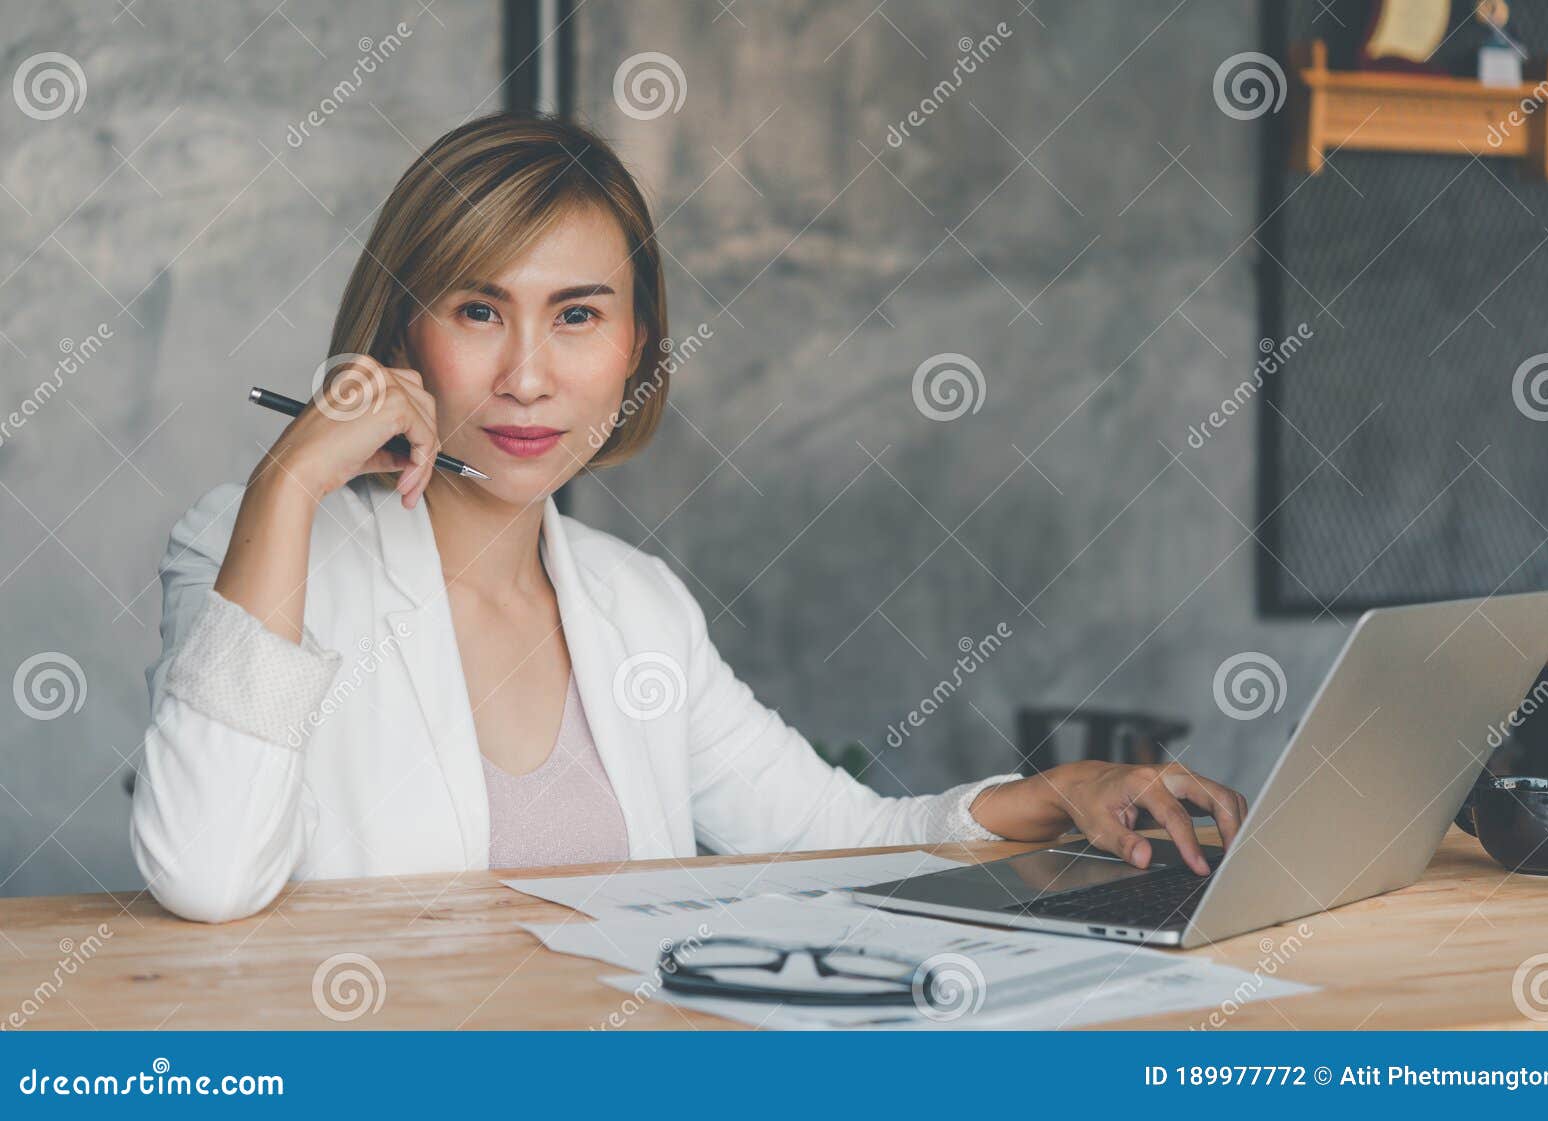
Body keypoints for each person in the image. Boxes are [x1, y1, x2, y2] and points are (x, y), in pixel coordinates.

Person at [131, 111, 1247, 924]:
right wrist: (288, 485)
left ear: (636, 348)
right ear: (400, 334)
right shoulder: (250, 544)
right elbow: (204, 873)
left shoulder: (636, 605)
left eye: (577, 315)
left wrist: (1056, 793)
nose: (527, 376)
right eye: (478, 309)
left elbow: (831, 837)